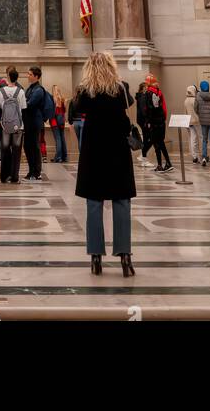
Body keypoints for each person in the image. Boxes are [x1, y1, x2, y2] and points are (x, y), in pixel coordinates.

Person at [74, 52, 135, 277]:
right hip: (117, 149)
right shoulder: (121, 88)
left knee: (94, 203)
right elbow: (130, 102)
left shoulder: (84, 91)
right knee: (121, 202)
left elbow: (76, 110)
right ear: (111, 66)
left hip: (94, 151)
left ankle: (96, 257)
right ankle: (125, 255)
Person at [0, 68, 26, 183]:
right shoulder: (21, 91)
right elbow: (24, 109)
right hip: (18, 126)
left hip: (5, 127)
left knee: (5, 150)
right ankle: (14, 177)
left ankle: (4, 176)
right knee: (16, 151)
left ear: (8, 77)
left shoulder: (1, 91)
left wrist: (3, 120)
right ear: (17, 78)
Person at [140, 74, 172, 172]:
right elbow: (164, 108)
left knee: (156, 143)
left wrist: (147, 121)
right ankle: (168, 163)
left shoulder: (148, 93)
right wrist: (163, 118)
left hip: (153, 122)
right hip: (161, 121)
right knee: (161, 142)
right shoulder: (159, 92)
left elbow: (147, 109)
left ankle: (159, 165)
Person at [23, 65, 47, 180]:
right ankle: (31, 171)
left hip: (35, 123)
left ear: (36, 76)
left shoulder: (38, 90)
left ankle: (36, 172)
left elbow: (29, 104)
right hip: (29, 122)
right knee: (28, 146)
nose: (28, 76)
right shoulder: (30, 88)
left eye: (30, 74)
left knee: (34, 147)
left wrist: (24, 102)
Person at [50, 86, 67, 162]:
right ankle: (64, 157)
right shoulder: (63, 100)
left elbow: (52, 113)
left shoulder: (53, 100)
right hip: (62, 122)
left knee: (58, 139)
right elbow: (64, 111)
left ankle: (58, 157)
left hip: (54, 122)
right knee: (62, 139)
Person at [185, 84, 201, 163]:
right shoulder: (195, 100)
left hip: (189, 122)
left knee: (193, 139)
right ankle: (202, 156)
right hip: (197, 122)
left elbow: (185, 112)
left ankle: (194, 156)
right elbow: (198, 111)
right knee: (201, 138)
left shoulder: (186, 100)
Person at [68, 86, 86, 154]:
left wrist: (70, 122)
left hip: (76, 122)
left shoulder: (73, 100)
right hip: (83, 121)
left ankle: (80, 157)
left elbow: (70, 112)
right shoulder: (84, 101)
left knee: (79, 140)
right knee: (82, 141)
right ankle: (82, 157)